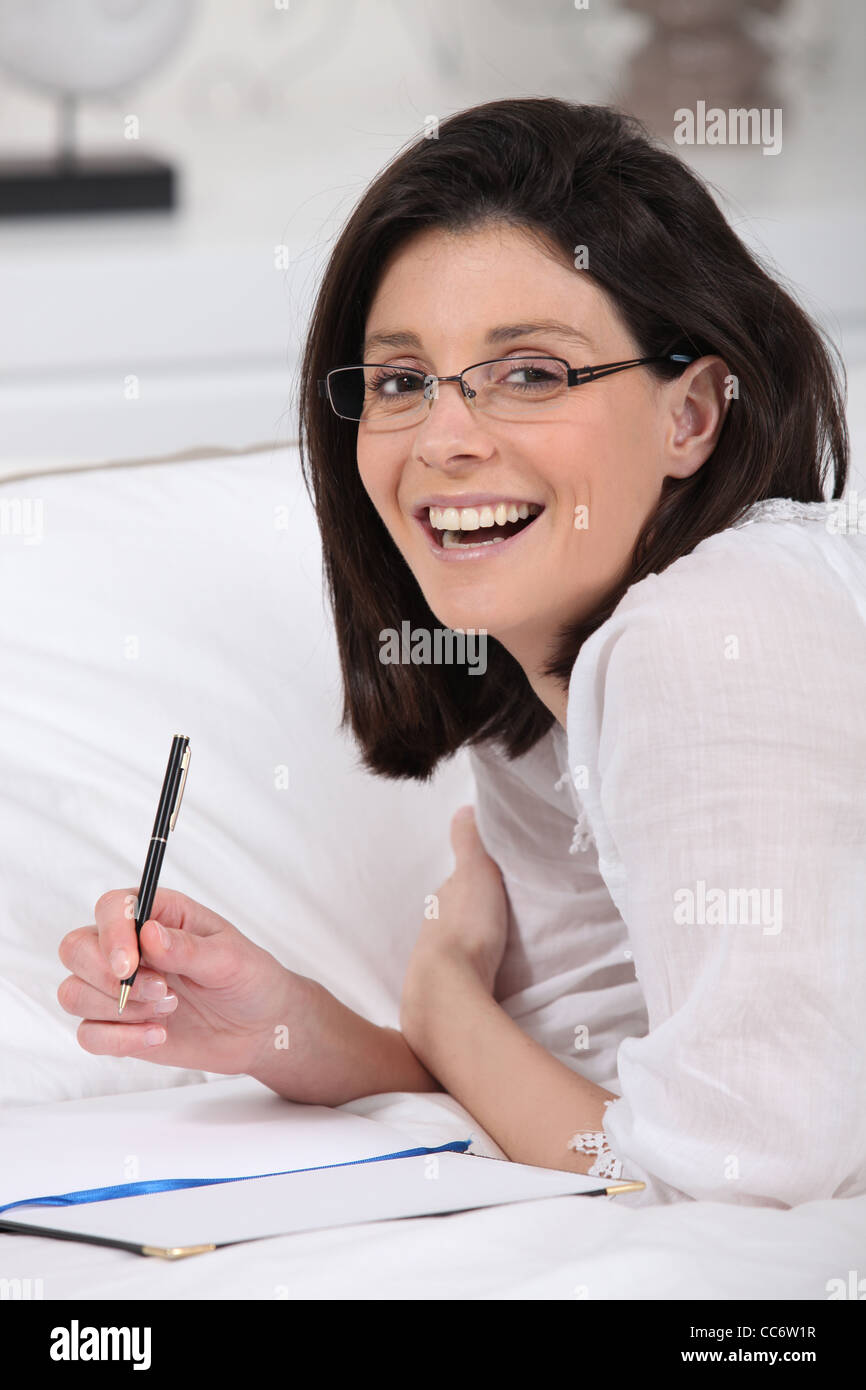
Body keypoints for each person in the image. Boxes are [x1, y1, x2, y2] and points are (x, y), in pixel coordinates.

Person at [57, 98, 865, 1207]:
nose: (443, 438)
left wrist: (443, 995)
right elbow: (567, 1085)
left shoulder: (712, 636)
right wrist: (277, 1023)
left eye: (529, 372)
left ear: (689, 416)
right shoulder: (541, 670)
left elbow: (736, 1182)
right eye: (399, 382)